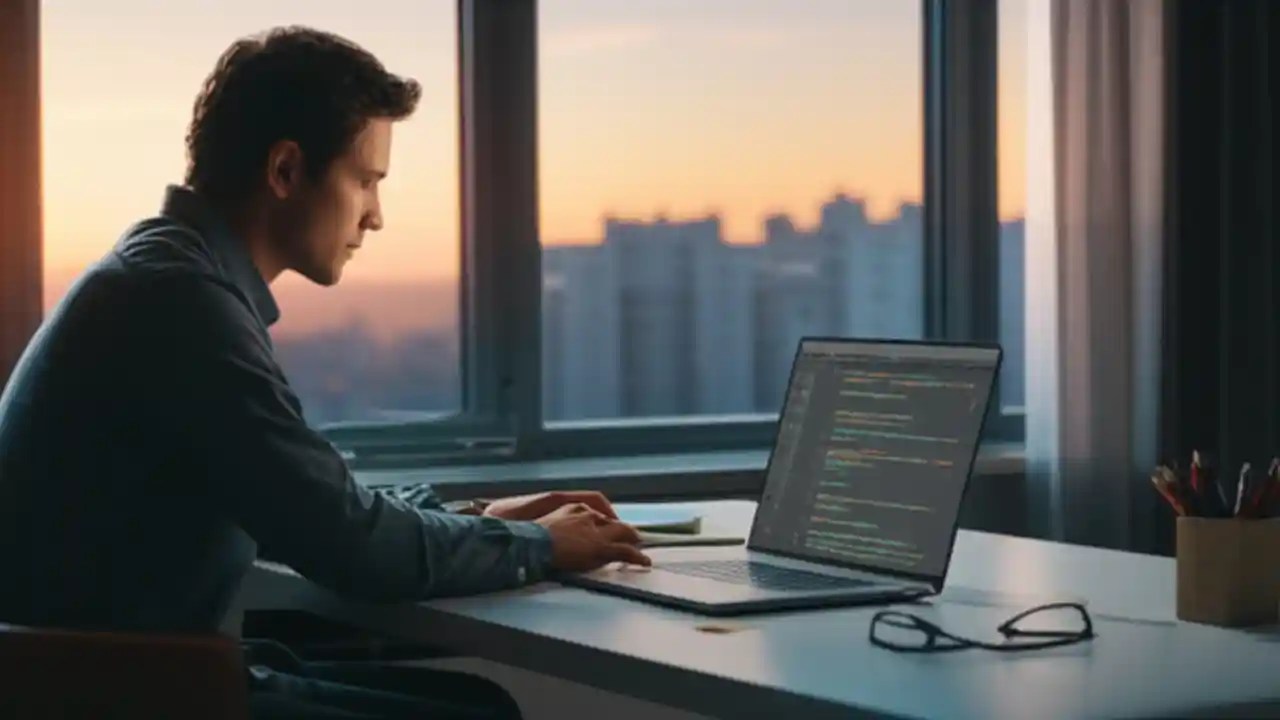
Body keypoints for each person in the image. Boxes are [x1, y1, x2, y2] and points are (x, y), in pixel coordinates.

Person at [0, 25, 650, 719]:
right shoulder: (182, 305)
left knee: (473, 702)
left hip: (127, 676)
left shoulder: (169, 275)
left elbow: (309, 504)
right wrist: (537, 546)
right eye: (366, 180)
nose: (376, 216)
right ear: (285, 172)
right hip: (124, 693)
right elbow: (347, 544)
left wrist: (477, 519)